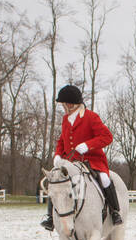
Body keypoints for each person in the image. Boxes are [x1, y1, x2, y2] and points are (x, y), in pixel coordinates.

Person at [41, 84, 121, 230]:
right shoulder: (66, 120)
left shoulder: (91, 117)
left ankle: (115, 212)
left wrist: (88, 145)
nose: (63, 106)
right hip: (70, 163)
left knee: (104, 179)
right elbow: (62, 141)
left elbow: (107, 137)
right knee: (56, 180)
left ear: (70, 104)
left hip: (92, 160)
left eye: (64, 104)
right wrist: (58, 154)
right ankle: (50, 218)